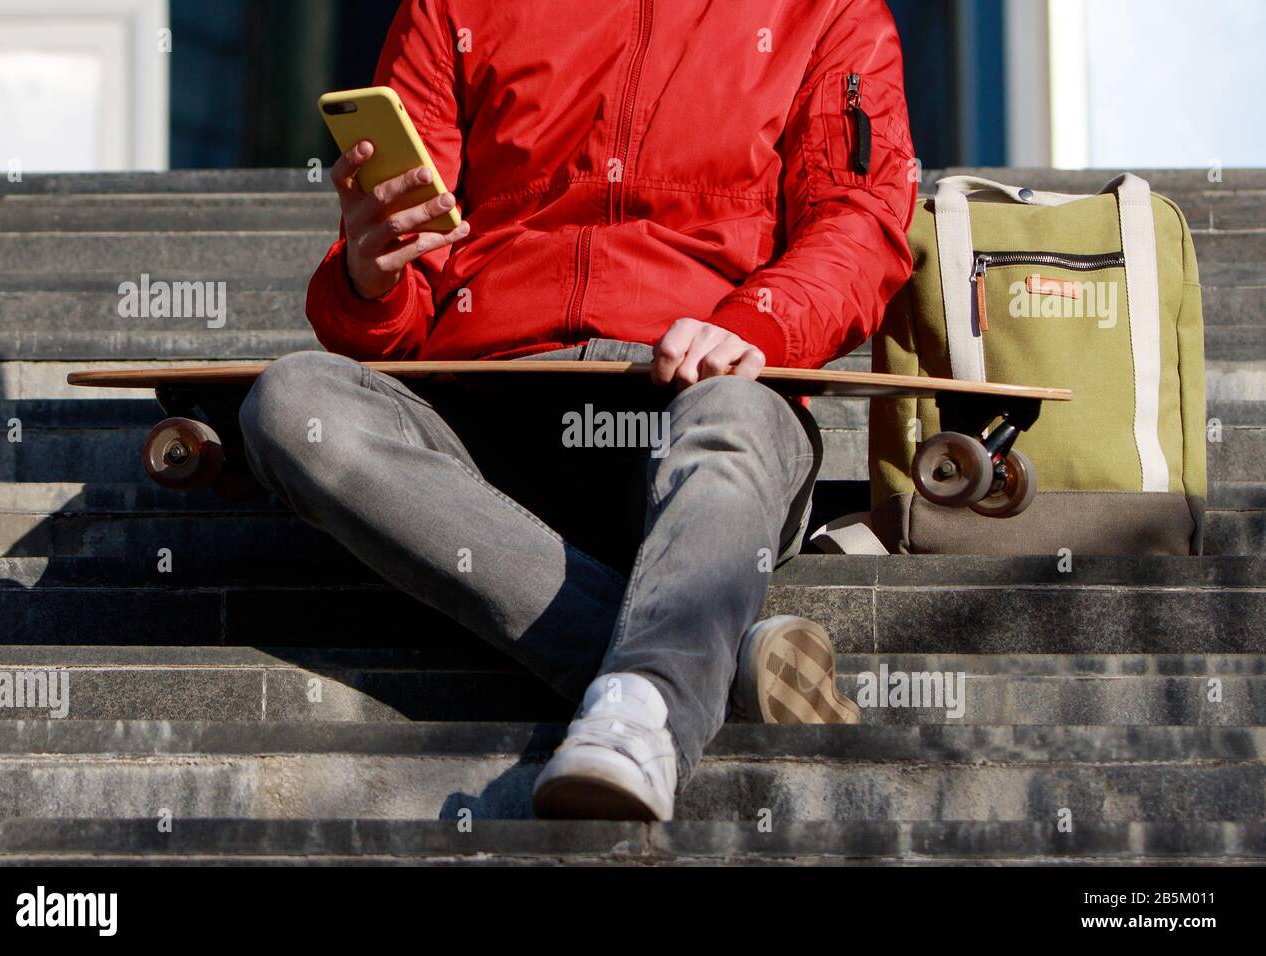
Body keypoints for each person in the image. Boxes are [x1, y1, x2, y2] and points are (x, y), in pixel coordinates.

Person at [240, 0, 916, 821]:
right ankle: (691, 676)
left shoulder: (830, 10)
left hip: (696, 410)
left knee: (736, 417)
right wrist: (368, 277)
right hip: (482, 433)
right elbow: (402, 298)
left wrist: (755, 324)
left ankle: (650, 696)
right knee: (294, 401)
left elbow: (860, 221)